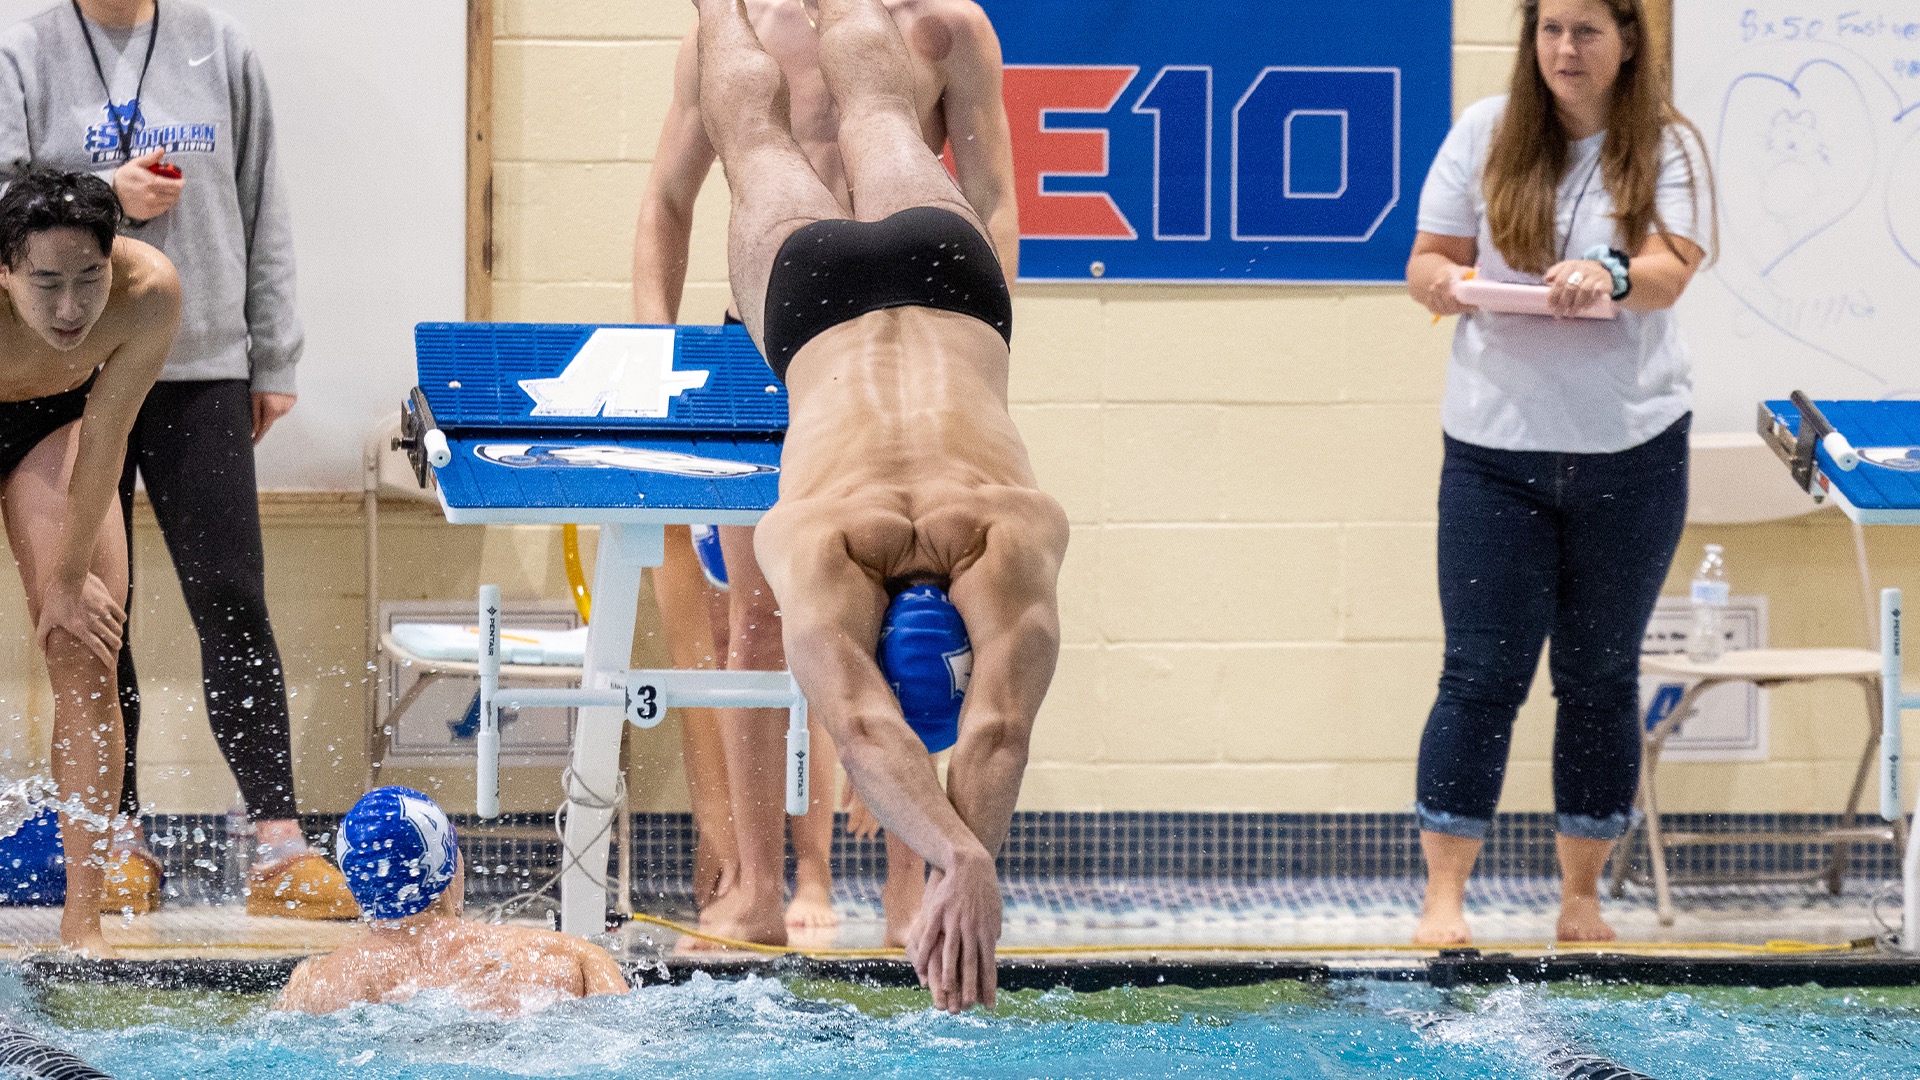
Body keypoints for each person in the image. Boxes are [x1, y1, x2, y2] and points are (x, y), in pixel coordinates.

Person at [695, 0, 1067, 1012]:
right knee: (753, 135)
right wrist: (962, 859)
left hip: (950, 279)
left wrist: (962, 864)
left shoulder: (1012, 526)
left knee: (876, 112)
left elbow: (991, 732)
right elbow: (866, 724)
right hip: (812, 302)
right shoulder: (809, 539)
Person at [633, 0, 1016, 944]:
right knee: (763, 618)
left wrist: (985, 355)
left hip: (907, 346)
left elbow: (997, 197)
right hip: (775, 347)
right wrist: (652, 348)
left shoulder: (949, 26)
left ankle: (905, 895)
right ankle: (765, 886)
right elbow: (668, 200)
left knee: (915, 615)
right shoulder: (732, 41)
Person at [0, 0, 351, 918]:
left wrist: (271, 353)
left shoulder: (218, 44)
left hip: (194, 364)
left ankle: (276, 837)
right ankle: (117, 835)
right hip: (55, 373)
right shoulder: (23, 48)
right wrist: (106, 191)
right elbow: (7, 207)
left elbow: (263, 199)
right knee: (92, 612)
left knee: (222, 590)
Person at [1405, 0, 1715, 946]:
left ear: (1628, 40)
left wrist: (1609, 275)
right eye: (1550, 31)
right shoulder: (1485, 132)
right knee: (1480, 672)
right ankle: (1444, 902)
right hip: (1497, 451)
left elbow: (1671, 268)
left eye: (1586, 31)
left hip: (1632, 448)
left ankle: (1580, 902)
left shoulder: (1669, 145)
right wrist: (1442, 287)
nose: (1566, 50)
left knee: (1598, 676)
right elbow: (1427, 261)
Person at [0, 169, 179, 955]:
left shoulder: (149, 293)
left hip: (53, 426)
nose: (70, 309)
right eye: (45, 284)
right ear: (4, 270)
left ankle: (83, 924)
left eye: (87, 279)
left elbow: (107, 435)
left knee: (85, 650)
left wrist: (68, 582)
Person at [274, 787, 631, 1017]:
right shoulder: (572, 959)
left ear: (356, 888)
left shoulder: (313, 985)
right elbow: (625, 1050)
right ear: (448, 866)